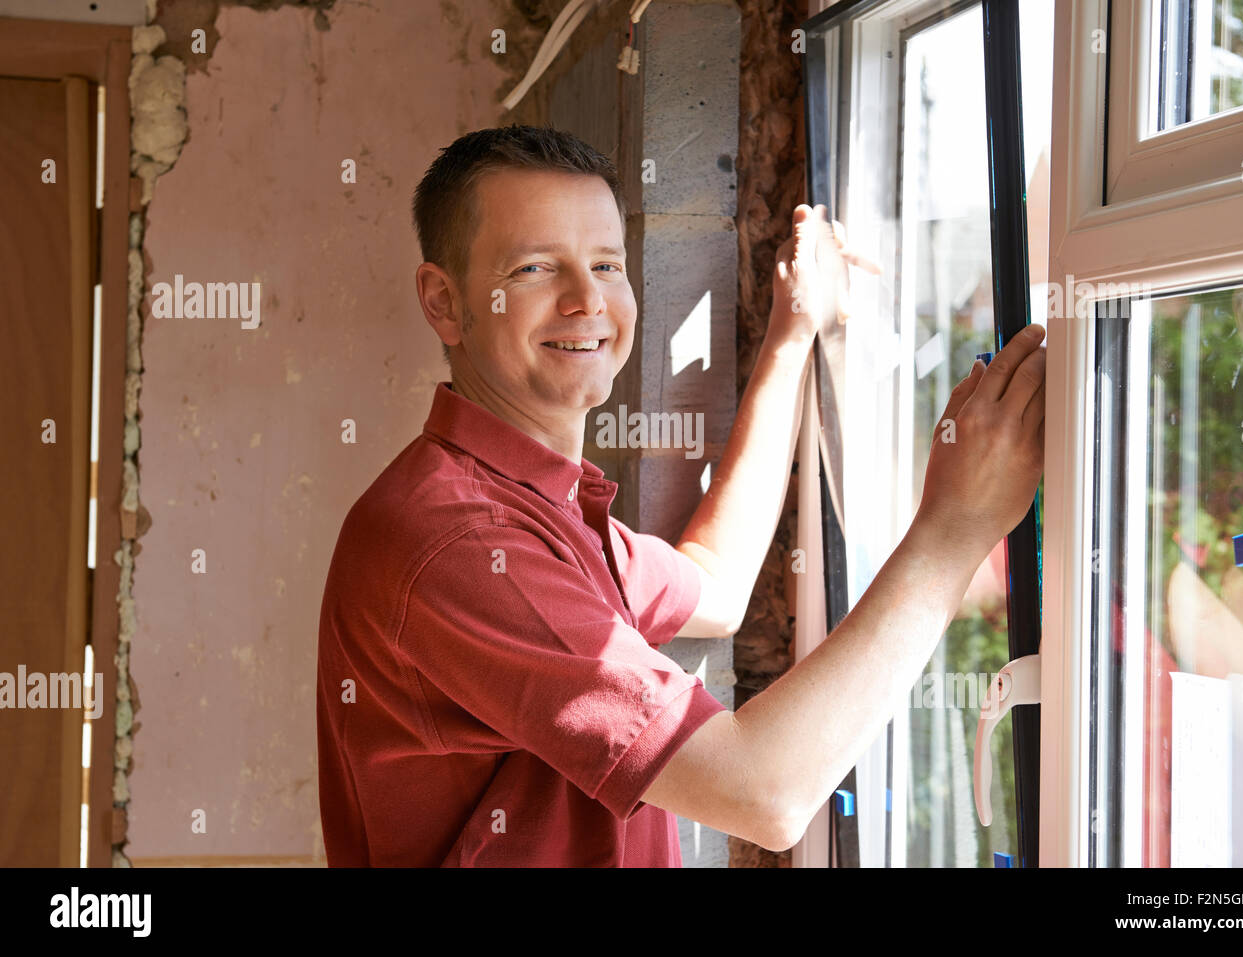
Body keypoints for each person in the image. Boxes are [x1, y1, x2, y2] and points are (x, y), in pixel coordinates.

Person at [316, 123, 1046, 866]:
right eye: (536, 268)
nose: (585, 300)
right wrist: (957, 527)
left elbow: (716, 581)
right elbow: (765, 790)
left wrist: (791, 335)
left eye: (606, 263)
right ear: (444, 301)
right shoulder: (462, 540)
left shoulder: (540, 509)